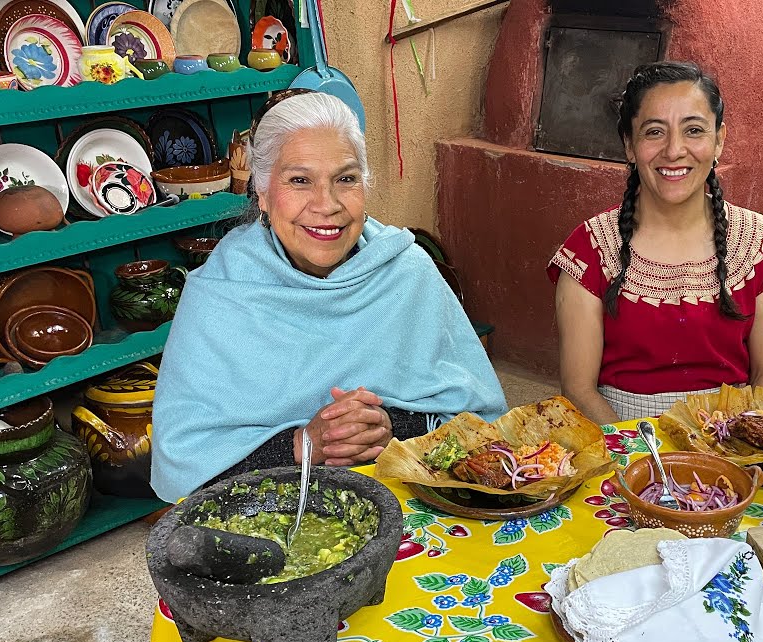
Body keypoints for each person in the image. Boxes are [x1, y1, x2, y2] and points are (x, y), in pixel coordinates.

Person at [150, 91, 507, 502]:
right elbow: (186, 470)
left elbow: (482, 426)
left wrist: (391, 426)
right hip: (272, 527)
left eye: (346, 179)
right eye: (300, 181)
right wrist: (306, 444)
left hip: (411, 507)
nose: (327, 205)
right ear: (262, 194)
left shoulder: (408, 273)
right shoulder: (220, 296)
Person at [548, 61, 763, 424]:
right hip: (625, 446)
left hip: (730, 445)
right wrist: (642, 458)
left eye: (694, 130)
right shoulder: (591, 249)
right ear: (629, 146)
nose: (674, 150)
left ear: (719, 140)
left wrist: (733, 450)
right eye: (654, 132)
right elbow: (579, 390)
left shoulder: (759, 243)